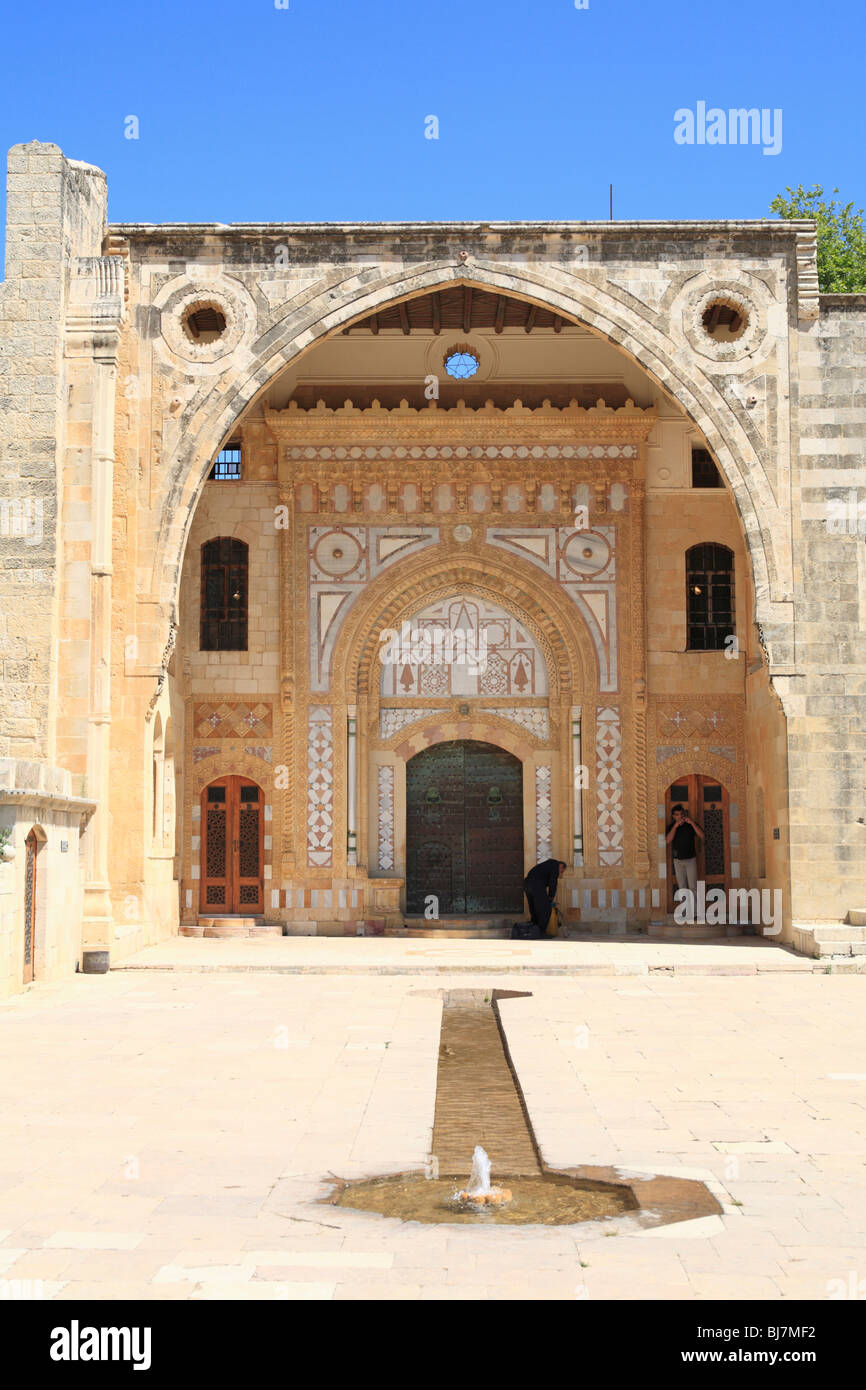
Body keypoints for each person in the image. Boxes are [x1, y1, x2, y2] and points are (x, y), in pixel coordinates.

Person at [665, 804, 704, 916]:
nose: (680, 817)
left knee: (693, 886)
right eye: (677, 815)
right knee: (682, 886)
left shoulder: (690, 825)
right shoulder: (671, 826)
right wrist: (675, 827)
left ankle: (696, 912)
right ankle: (685, 911)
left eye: (682, 814)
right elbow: (668, 840)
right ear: (673, 816)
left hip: (690, 860)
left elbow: (702, 835)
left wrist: (692, 823)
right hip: (678, 861)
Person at [522, 858, 567, 938]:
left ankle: (534, 931)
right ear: (561, 866)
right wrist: (551, 896)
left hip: (527, 884)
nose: (560, 873)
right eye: (562, 871)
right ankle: (541, 932)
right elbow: (553, 882)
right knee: (546, 909)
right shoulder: (555, 866)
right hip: (536, 885)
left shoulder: (546, 865)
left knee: (534, 908)